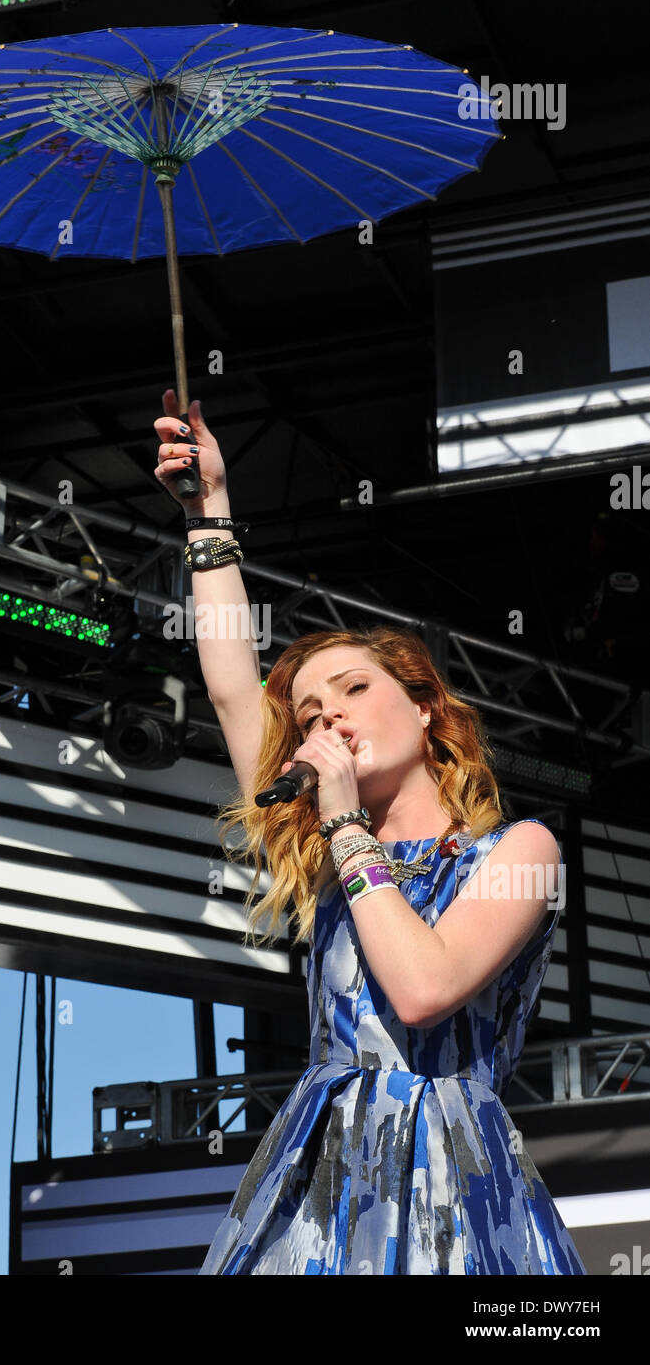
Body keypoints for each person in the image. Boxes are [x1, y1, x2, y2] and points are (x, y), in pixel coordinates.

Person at [154, 391, 587, 1276]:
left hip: (450, 1173)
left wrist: (347, 822)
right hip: (323, 1170)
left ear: (424, 707)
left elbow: (424, 988)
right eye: (311, 712)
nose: (330, 718)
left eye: (354, 690)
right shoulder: (329, 851)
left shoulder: (520, 853)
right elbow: (233, 687)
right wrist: (209, 513)